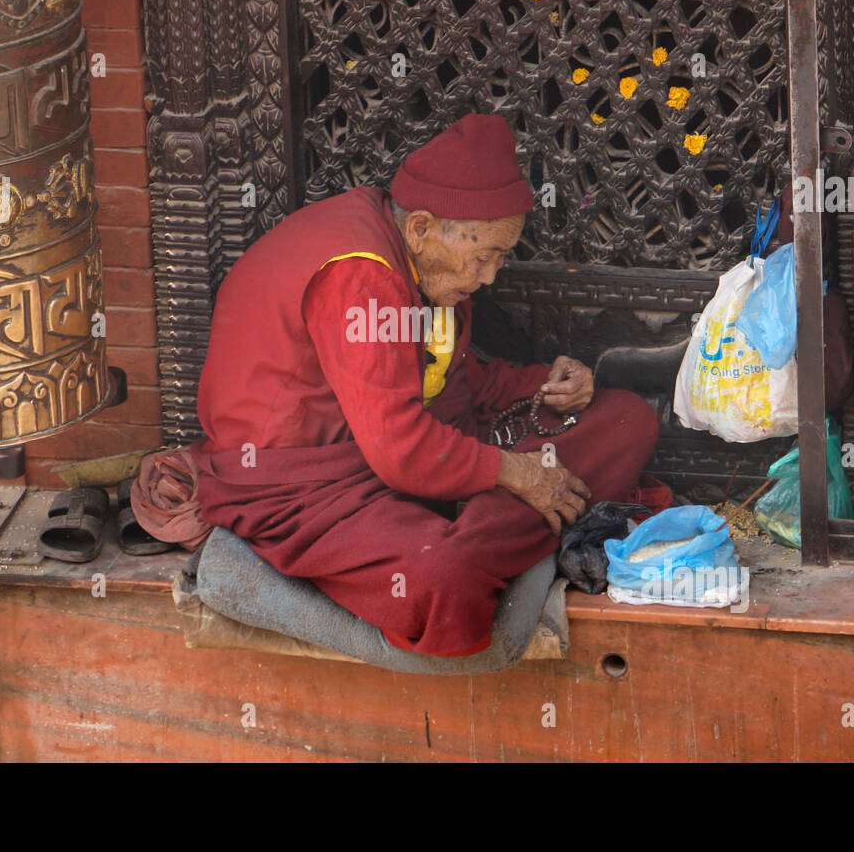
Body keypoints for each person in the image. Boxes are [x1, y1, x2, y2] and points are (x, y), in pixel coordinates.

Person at [189, 113, 660, 656]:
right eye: (484, 256)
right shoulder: (362, 276)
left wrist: (547, 387)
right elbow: (399, 449)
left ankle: (491, 526)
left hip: (404, 454)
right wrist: (515, 473)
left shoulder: (422, 267)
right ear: (421, 228)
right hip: (302, 483)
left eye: (500, 258)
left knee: (626, 420)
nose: (488, 277)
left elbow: (454, 384)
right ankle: (489, 533)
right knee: (442, 579)